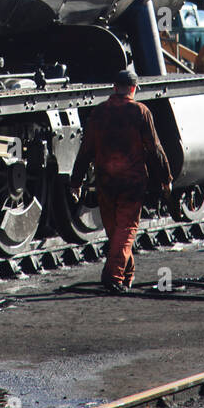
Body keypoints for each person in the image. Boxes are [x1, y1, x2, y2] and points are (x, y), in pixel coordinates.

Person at [70, 68, 172, 295]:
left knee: (115, 230)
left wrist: (76, 181)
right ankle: (113, 276)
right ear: (134, 89)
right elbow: (155, 149)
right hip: (132, 181)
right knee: (125, 230)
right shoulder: (141, 112)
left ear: (114, 88)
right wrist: (166, 178)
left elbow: (86, 150)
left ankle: (126, 276)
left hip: (105, 181)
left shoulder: (98, 113)